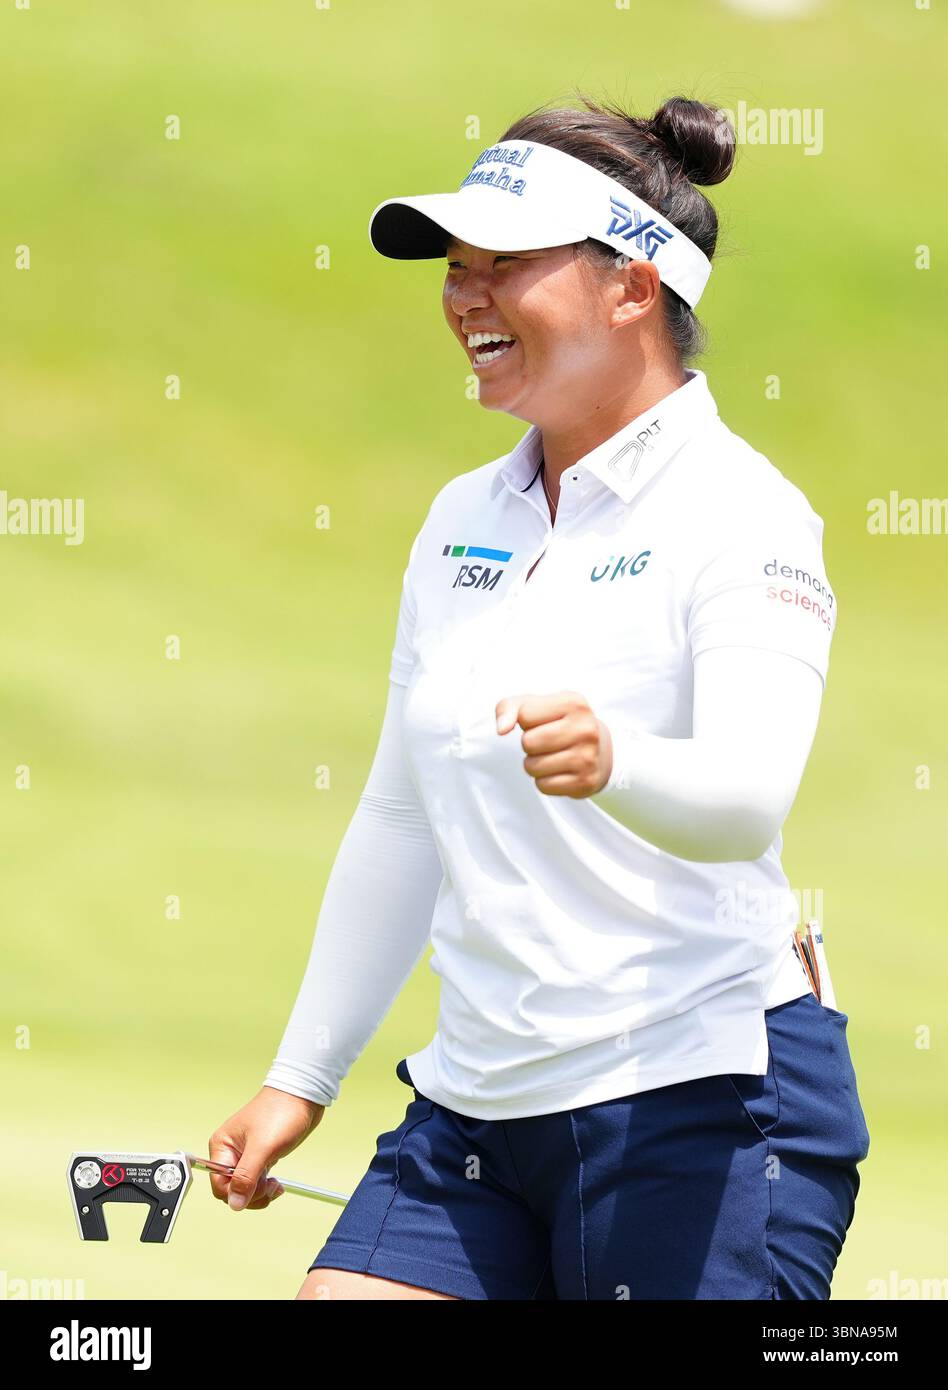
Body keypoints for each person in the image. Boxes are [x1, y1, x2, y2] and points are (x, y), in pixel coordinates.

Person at [208, 92, 871, 1301]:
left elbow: (745, 799)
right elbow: (403, 817)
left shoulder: (745, 512)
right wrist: (300, 1076)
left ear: (634, 285)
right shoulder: (463, 517)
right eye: (456, 271)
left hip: (706, 1099)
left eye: (505, 265)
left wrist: (619, 757)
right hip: (479, 1099)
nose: (465, 297)